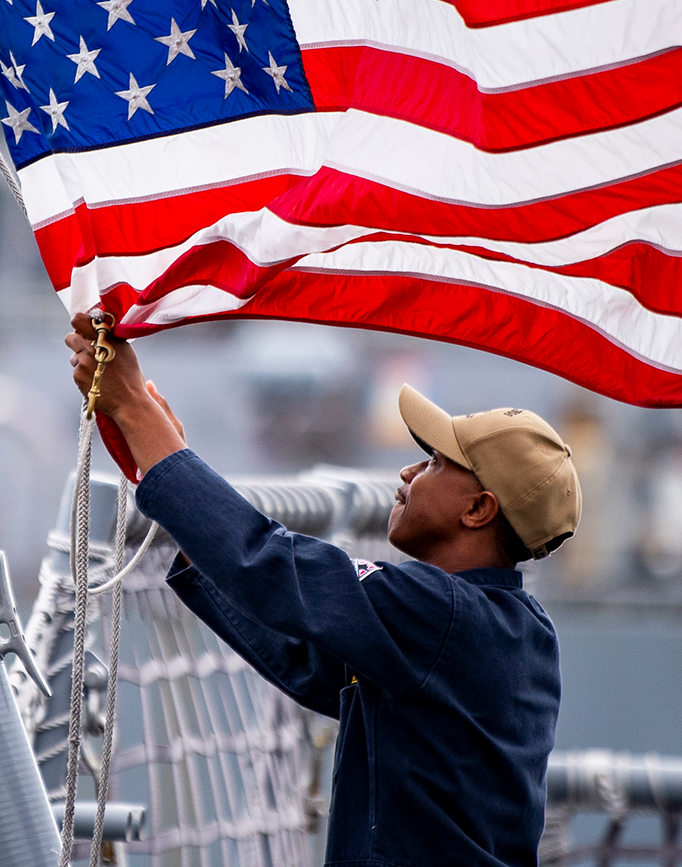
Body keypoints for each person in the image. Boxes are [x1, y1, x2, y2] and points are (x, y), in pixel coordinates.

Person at [65, 313, 581, 867]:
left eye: (435, 462)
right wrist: (177, 487)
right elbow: (308, 660)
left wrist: (136, 413)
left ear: (479, 509)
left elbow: (266, 563)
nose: (407, 472)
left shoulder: (440, 614)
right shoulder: (521, 628)